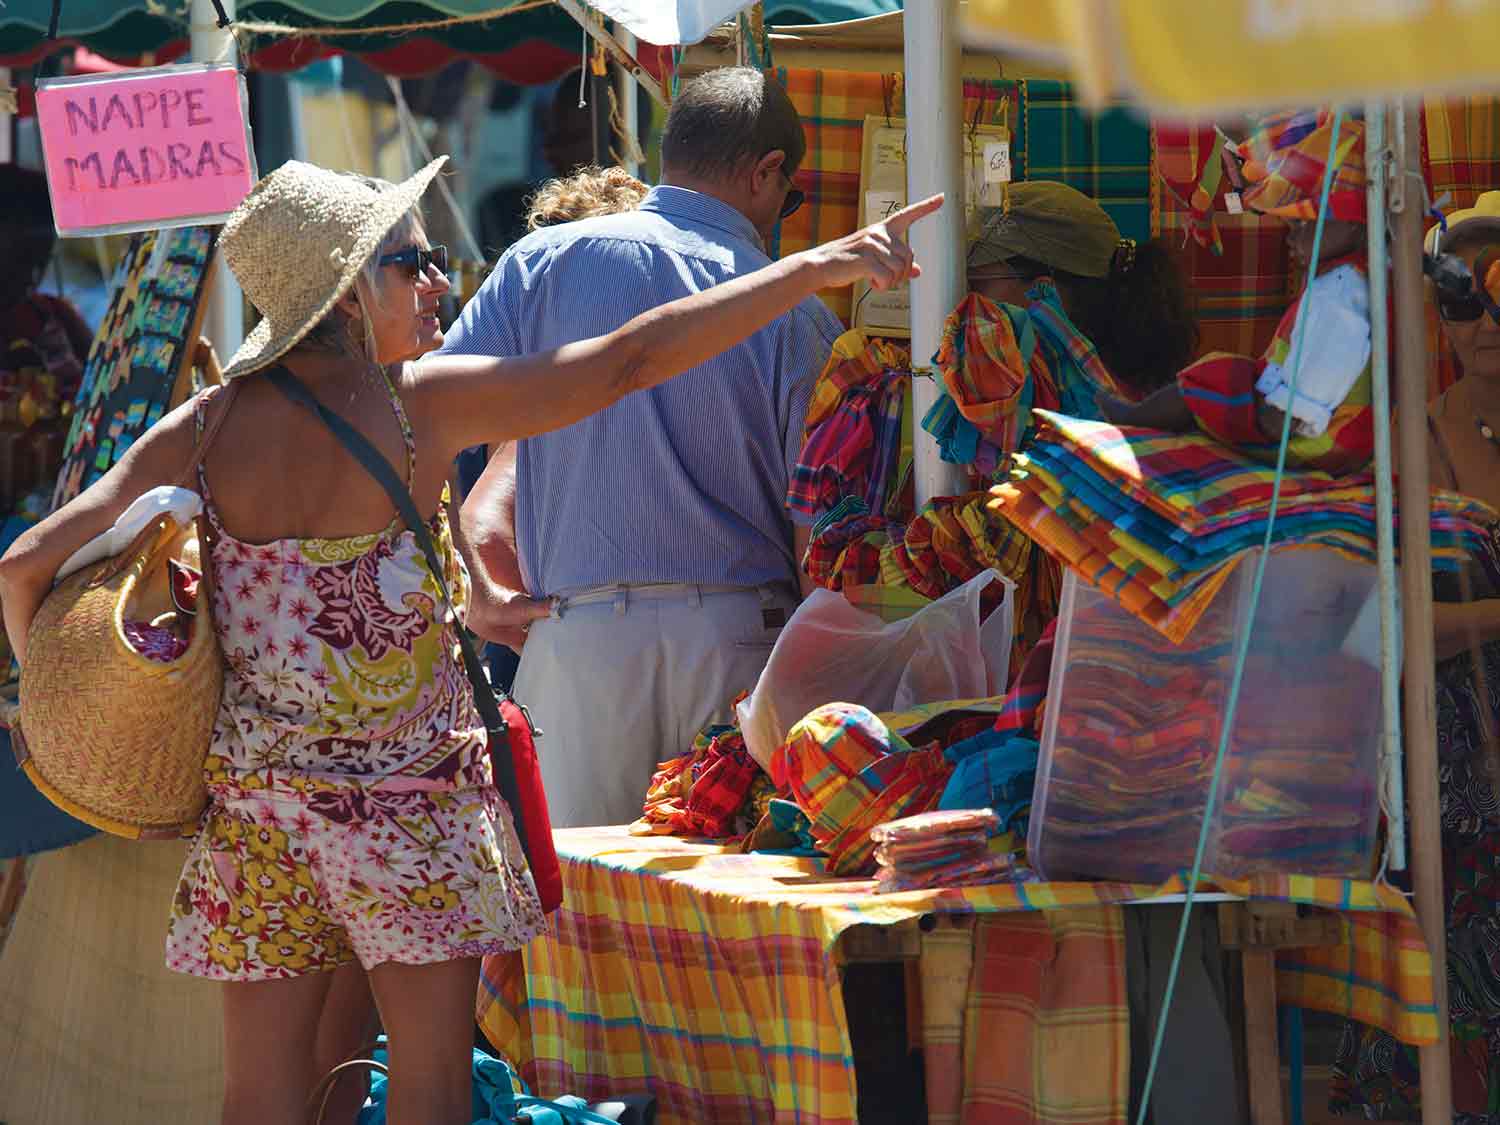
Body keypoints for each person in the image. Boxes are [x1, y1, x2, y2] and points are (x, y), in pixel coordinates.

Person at [0, 152, 938, 1123]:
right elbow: (630, 360)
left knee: (261, 1095)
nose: (439, 281)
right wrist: (811, 268)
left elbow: (22, 567)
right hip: (413, 815)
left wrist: (66, 718)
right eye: (412, 262)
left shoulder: (204, 428)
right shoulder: (420, 408)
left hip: (260, 819)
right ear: (348, 296)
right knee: (434, 1084)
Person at [447, 67, 846, 830]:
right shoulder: (801, 315)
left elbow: (426, 417)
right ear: (766, 173)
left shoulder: (540, 263)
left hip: (580, 642)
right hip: (738, 643)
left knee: (571, 893)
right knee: (722, 888)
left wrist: (467, 576)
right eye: (787, 197)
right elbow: (815, 538)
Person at [1331, 190, 1500, 1120]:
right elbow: (1389, 624)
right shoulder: (1418, 440)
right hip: (1455, 790)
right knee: (1448, 1024)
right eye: (1460, 296)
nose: (1485, 319)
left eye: (1499, 289)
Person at [1101, 110, 1375, 476]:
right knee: (1222, 380)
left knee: (1215, 375)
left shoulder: (1341, 292)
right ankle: (1141, 419)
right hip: (1325, 434)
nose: (1291, 233)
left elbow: (1302, 399)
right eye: (1292, 221)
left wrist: (1266, 416)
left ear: (1357, 225)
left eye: (1306, 222)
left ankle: (1135, 420)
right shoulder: (1351, 280)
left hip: (1311, 441)